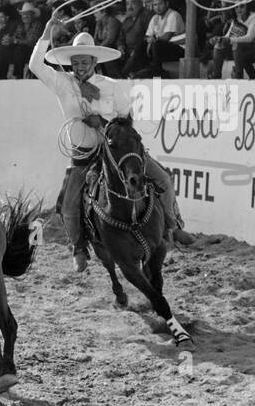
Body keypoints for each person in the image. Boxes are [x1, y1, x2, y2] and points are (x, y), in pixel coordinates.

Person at [29, 18, 193, 273]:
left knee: (163, 179)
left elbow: (127, 121)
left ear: (94, 63)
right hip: (84, 156)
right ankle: (79, 248)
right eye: (76, 62)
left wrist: (103, 124)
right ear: (71, 64)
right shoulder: (63, 83)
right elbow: (35, 65)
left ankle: (173, 226)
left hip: (116, 152)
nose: (80, 67)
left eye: (85, 62)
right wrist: (47, 32)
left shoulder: (113, 88)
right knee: (69, 206)